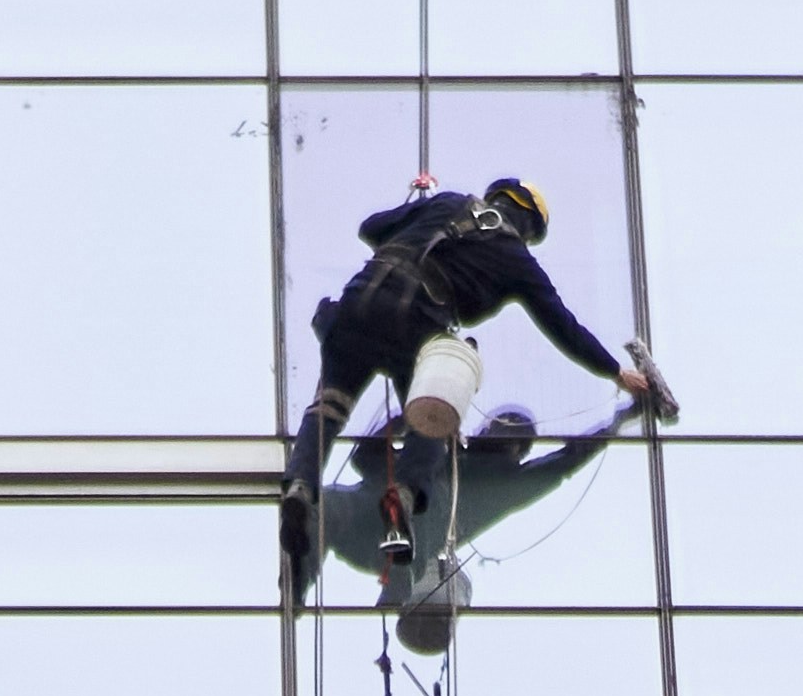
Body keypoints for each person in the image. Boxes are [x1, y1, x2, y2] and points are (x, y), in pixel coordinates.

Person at [285, 177, 665, 558]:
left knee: (327, 410)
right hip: (414, 323)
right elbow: (563, 326)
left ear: (497, 198)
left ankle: (300, 487)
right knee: (434, 419)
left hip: (356, 307)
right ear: (529, 227)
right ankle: (401, 498)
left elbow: (371, 228)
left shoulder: (447, 203)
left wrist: (418, 216)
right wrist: (616, 372)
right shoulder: (518, 260)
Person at [314, 399, 639, 645]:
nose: (507, 441)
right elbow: (364, 458)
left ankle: (394, 567)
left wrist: (618, 421)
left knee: (411, 507)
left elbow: (567, 459)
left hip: (392, 546)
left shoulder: (501, 484)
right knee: (322, 504)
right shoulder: (439, 457)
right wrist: (413, 417)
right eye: (503, 429)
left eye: (517, 439)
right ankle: (302, 571)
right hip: (361, 526)